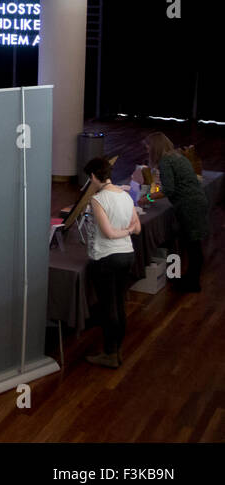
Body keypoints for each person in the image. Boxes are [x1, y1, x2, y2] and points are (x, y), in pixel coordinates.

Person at [81, 156, 142, 368]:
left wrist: (122, 231)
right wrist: (127, 230)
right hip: (127, 255)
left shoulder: (98, 200)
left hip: (106, 258)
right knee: (119, 304)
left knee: (109, 307)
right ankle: (116, 350)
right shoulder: (125, 195)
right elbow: (138, 227)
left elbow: (107, 233)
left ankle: (109, 353)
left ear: (92, 177)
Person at [147, 132, 208, 292]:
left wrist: (148, 197)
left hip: (189, 206)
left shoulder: (165, 161)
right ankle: (191, 278)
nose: (147, 151)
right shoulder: (178, 157)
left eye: (148, 147)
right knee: (194, 244)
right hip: (197, 201)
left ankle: (193, 283)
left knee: (193, 245)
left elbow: (168, 189)